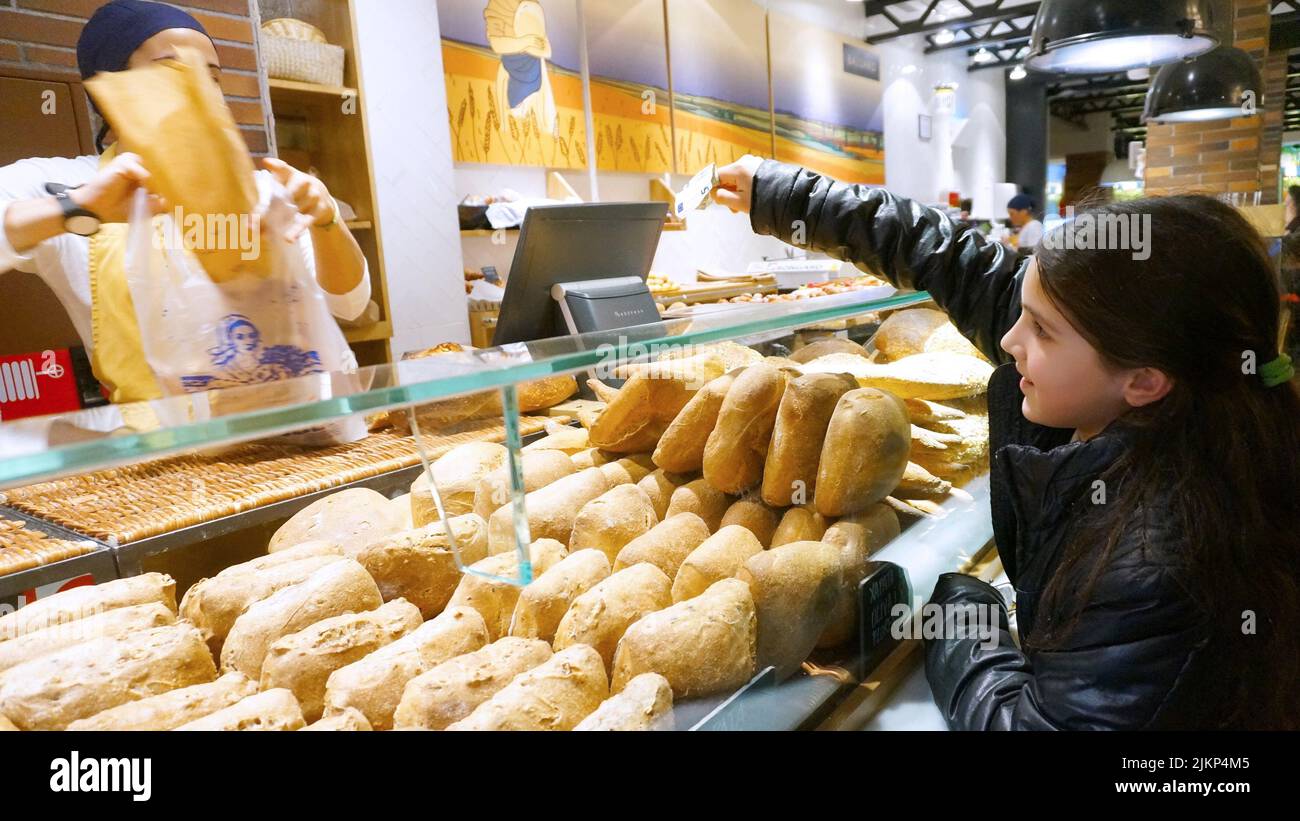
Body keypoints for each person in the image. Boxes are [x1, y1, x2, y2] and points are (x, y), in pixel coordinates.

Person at [715, 155, 1300, 730]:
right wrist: (788, 194)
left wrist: (962, 615)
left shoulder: (1155, 563)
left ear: (1145, 379)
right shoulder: (1171, 403)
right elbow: (961, 265)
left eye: (1040, 329)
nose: (1011, 339)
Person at [0, 0, 370, 404]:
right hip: (165, 451)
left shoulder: (262, 189)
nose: (201, 90)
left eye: (212, 77)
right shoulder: (70, 183)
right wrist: (79, 209)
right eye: (171, 70)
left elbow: (350, 304)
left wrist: (326, 220)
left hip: (294, 425)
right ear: (115, 91)